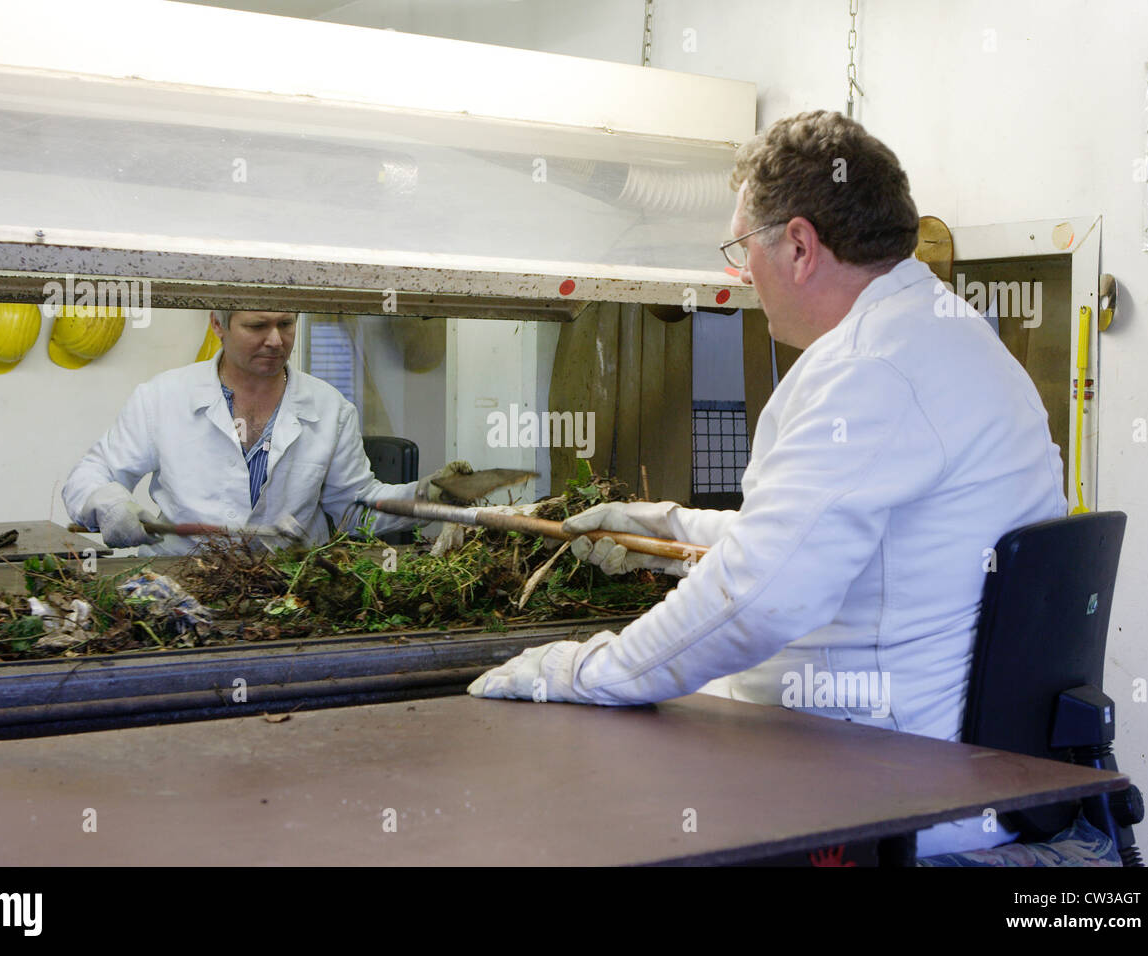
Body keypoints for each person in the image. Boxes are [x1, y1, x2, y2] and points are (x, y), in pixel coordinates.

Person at [467, 110, 1067, 857]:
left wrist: (585, 669)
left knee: (587, 774)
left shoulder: (870, 368)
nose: (738, 272)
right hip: (929, 756)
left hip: (888, 787)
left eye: (741, 247)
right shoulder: (944, 331)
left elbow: (763, 594)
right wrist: (668, 532)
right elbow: (819, 536)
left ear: (799, 245)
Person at [63, 310, 468, 555]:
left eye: (286, 324)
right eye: (257, 326)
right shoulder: (162, 398)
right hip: (183, 581)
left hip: (291, 593)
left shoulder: (329, 408)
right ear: (218, 324)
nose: (275, 340)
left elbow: (353, 510)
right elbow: (88, 477)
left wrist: (423, 497)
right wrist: (109, 503)